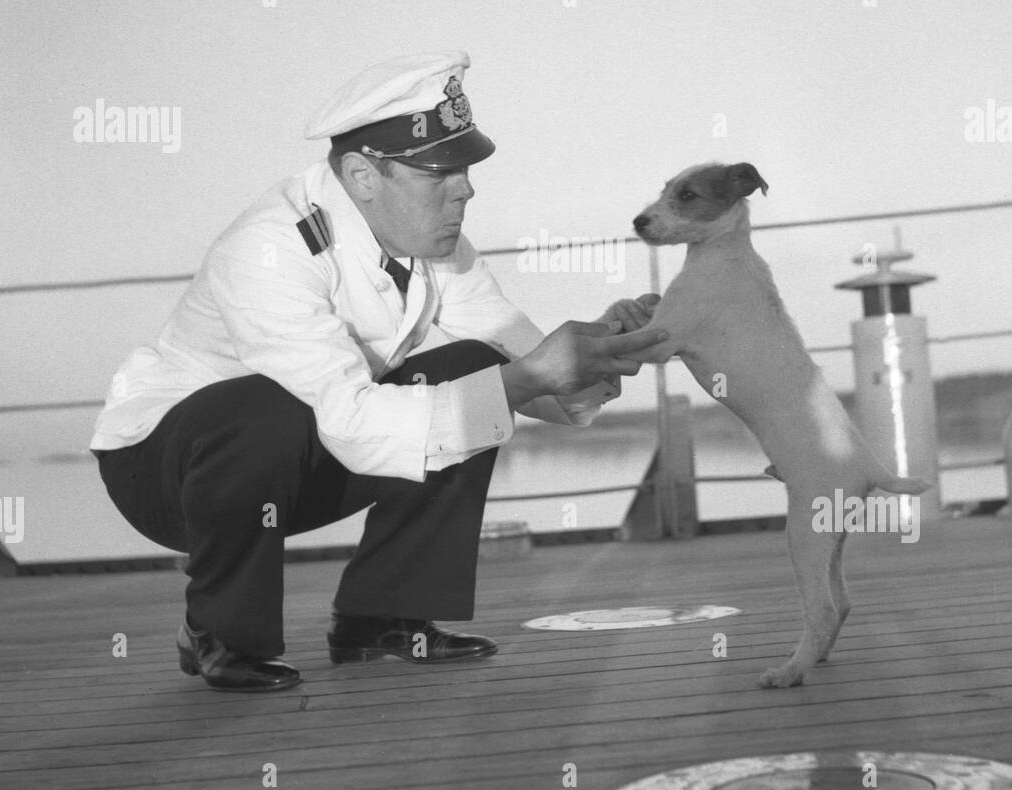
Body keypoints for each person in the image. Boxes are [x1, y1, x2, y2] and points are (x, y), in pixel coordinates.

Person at [90, 51, 665, 691]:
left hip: (306, 449)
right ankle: (220, 633)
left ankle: (381, 619)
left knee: (477, 366)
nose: (466, 189)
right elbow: (354, 416)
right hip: (165, 468)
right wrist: (528, 378)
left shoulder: (435, 248)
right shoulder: (270, 248)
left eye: (466, 170)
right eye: (439, 172)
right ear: (365, 176)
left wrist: (608, 348)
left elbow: (525, 364)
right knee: (265, 407)